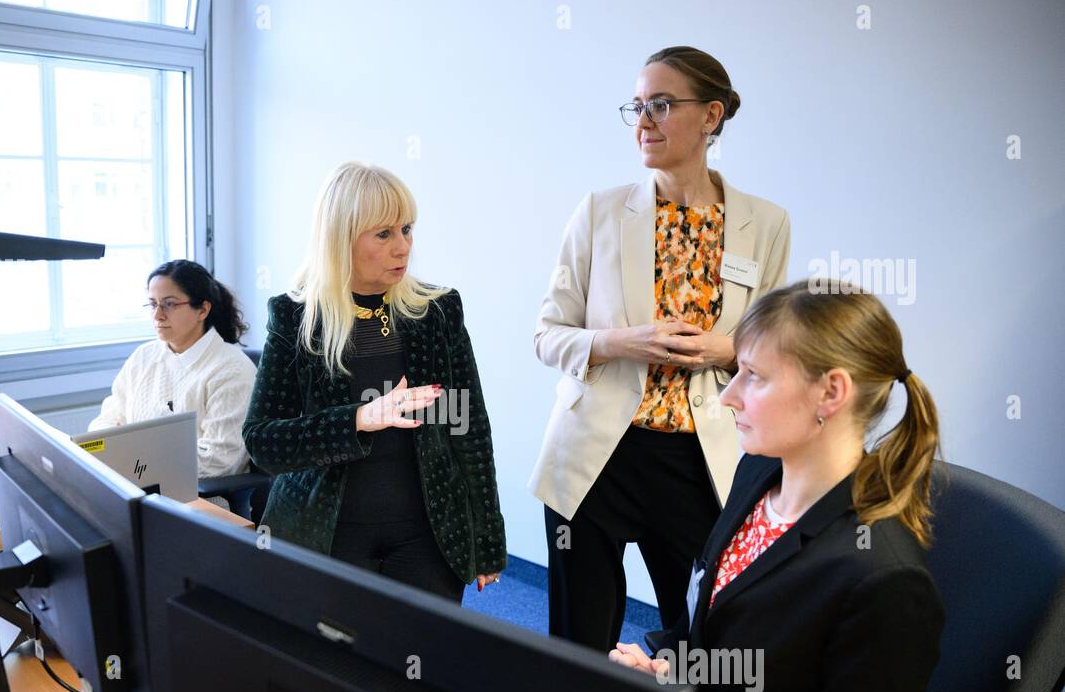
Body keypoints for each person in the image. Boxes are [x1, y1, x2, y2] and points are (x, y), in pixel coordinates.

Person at [609, 280, 945, 692]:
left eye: (755, 377)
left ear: (830, 392)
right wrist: (664, 662)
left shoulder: (882, 575)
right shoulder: (758, 472)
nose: (727, 395)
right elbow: (714, 619)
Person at [530, 46, 792, 649]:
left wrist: (724, 352)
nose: (643, 121)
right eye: (637, 106)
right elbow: (547, 335)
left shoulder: (767, 223)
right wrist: (622, 342)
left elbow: (774, 350)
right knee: (579, 639)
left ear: (711, 116)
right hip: (597, 453)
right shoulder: (599, 212)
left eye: (662, 105)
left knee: (700, 638)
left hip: (701, 461)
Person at [242, 162, 506, 602]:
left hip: (428, 537)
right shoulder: (296, 318)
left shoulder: (436, 313)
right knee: (331, 665)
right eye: (383, 235)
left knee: (421, 663)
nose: (403, 247)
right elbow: (263, 442)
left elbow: (469, 428)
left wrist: (488, 540)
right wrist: (358, 419)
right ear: (340, 239)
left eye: (407, 230)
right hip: (324, 534)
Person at [90, 260, 257, 483]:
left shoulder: (231, 369)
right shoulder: (144, 356)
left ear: (203, 310)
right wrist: (129, 455)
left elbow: (219, 459)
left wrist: (134, 456)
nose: (157, 315)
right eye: (153, 304)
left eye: (169, 304)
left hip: (199, 499)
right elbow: (104, 423)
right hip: (136, 484)